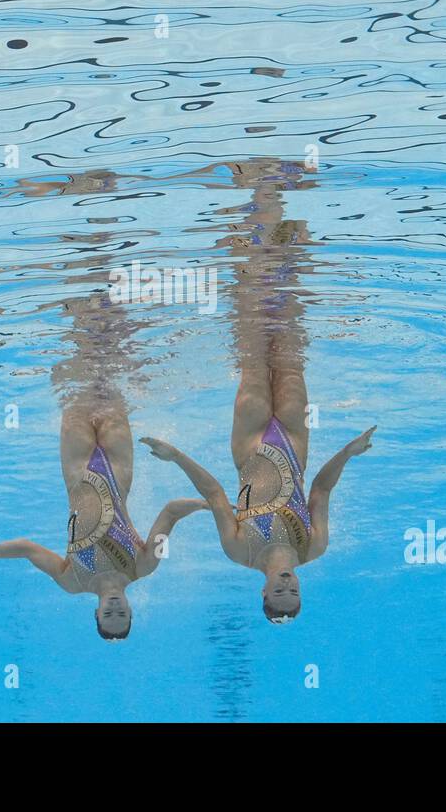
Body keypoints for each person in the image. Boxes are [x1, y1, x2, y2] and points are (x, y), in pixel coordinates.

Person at [141, 162, 374, 623]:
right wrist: (349, 450)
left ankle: (248, 233)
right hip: (294, 444)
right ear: (301, 590)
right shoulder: (314, 546)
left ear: (263, 593)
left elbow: (212, 494)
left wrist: (175, 455)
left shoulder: (238, 550)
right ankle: (281, 238)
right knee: (287, 339)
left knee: (252, 346)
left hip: (250, 449)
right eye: (295, 594)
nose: (288, 586)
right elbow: (323, 488)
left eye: (279, 595)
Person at [0, 292, 207, 640]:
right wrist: (213, 505)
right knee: (109, 381)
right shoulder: (144, 566)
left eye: (108, 615)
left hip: (76, 469)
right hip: (117, 471)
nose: (114, 609)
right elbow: (172, 512)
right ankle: (114, 307)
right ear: (130, 610)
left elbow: (26, 548)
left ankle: (77, 305)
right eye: (121, 614)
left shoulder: (72, 581)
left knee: (77, 385)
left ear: (96, 614)